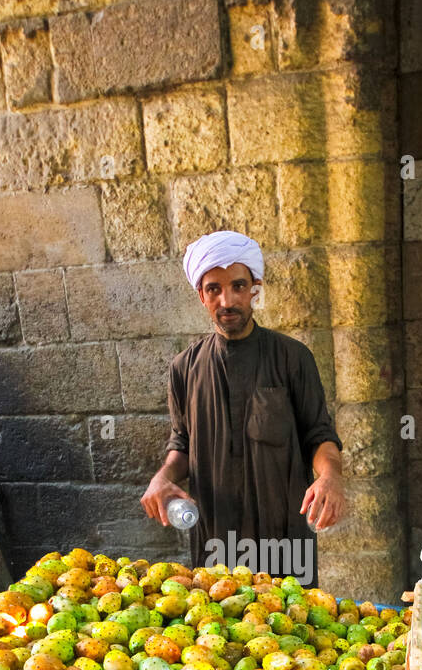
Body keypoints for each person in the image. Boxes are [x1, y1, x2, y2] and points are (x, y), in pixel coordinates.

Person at [140, 230, 345, 585]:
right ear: (201, 296)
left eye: (237, 286)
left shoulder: (292, 358)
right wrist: (163, 478)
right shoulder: (184, 369)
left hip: (284, 539)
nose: (227, 301)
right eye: (214, 289)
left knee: (294, 630)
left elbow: (319, 435)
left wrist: (331, 476)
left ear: (255, 289)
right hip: (216, 540)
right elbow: (182, 445)